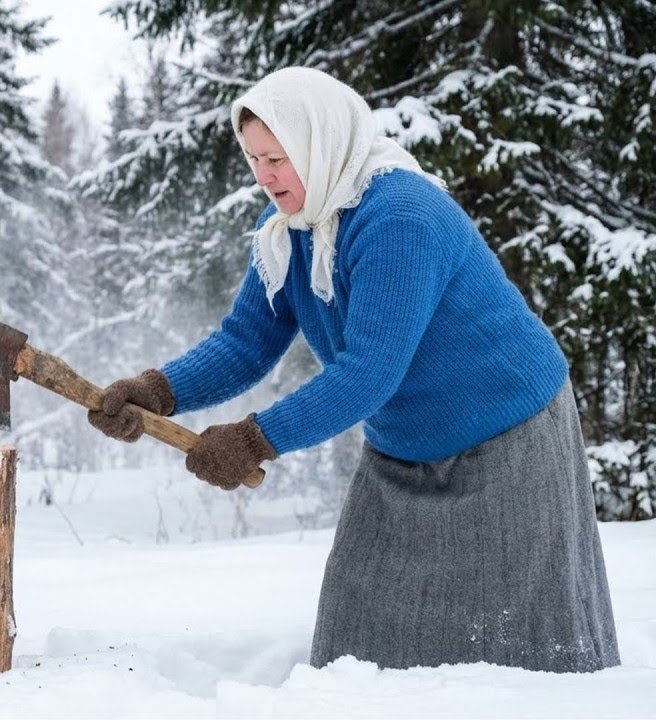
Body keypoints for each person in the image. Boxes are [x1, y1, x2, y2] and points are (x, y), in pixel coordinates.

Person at [87, 68, 620, 673]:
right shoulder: (289, 236)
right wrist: (156, 392)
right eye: (255, 158)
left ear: (320, 141)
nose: (266, 175)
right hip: (404, 446)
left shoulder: (400, 217)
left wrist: (255, 439)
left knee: (516, 646)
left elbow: (368, 371)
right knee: (357, 632)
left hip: (508, 436)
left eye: (279, 157)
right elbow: (244, 343)